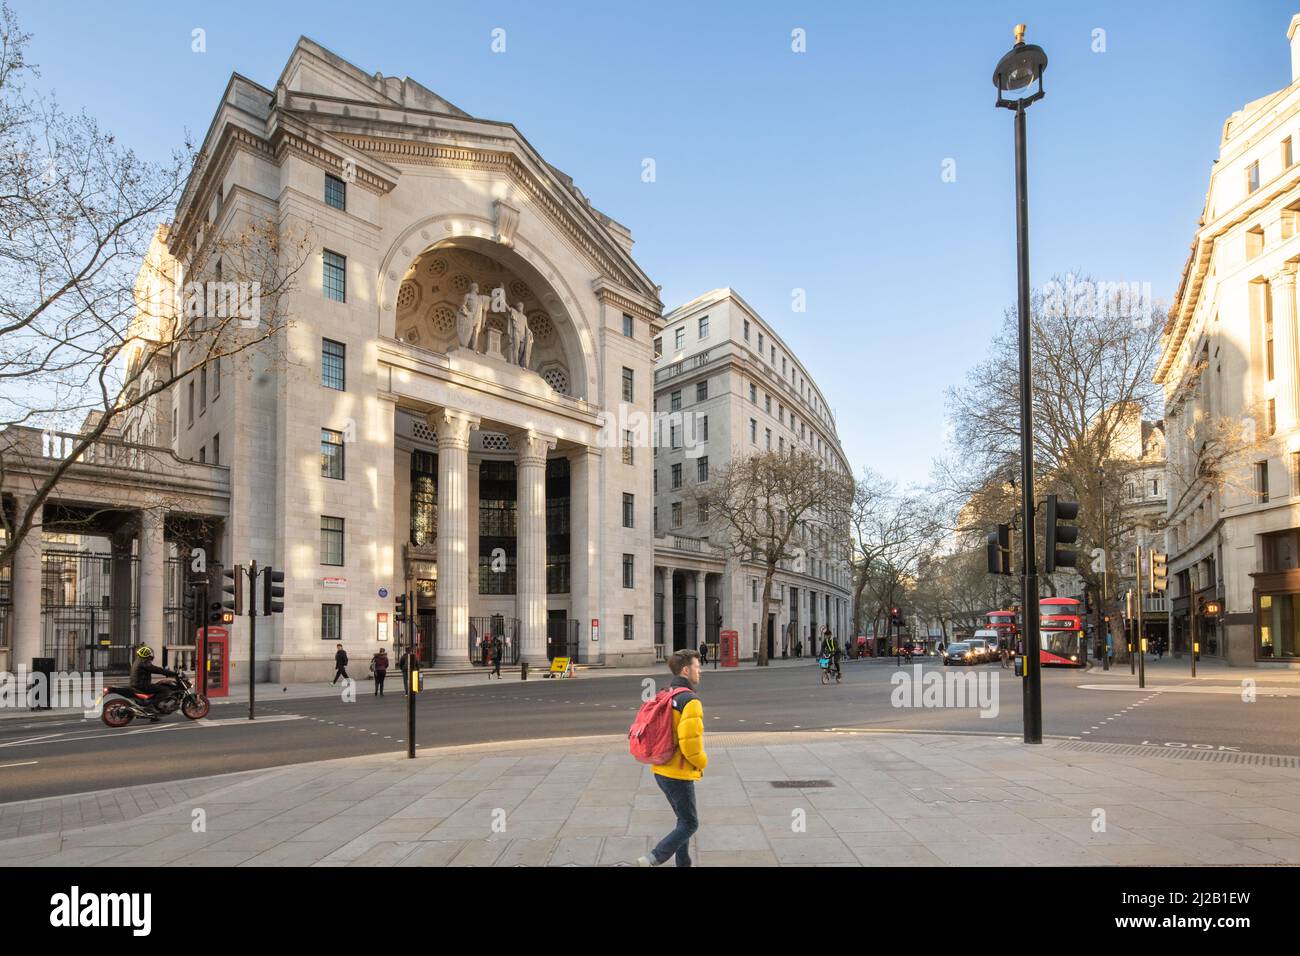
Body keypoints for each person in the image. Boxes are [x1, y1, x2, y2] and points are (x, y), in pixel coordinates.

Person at [637, 649, 707, 867]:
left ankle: (683, 862)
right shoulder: (690, 701)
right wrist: (702, 762)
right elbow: (690, 744)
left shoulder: (667, 693)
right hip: (678, 772)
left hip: (661, 769)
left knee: (683, 819)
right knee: (690, 823)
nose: (700, 670)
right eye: (697, 666)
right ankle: (654, 857)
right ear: (686, 670)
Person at [128, 646, 179, 718]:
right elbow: (156, 669)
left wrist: (167, 673)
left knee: (159, 686)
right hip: (142, 685)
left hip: (138, 683)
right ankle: (151, 707)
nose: (151, 656)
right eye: (149, 654)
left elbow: (155, 669)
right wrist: (171, 673)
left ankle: (155, 714)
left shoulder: (139, 661)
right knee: (165, 690)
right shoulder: (144, 662)